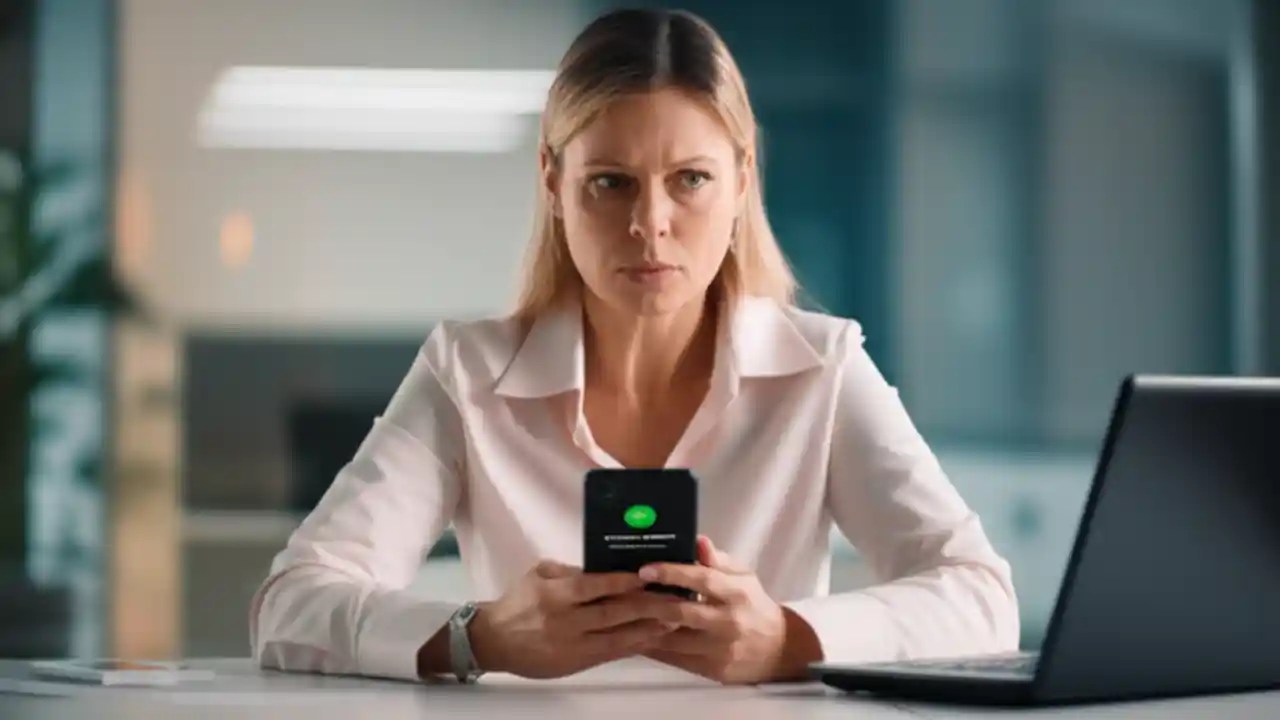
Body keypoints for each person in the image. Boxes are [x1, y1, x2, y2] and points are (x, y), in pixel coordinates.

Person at [249, 8, 1019, 686]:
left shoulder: (821, 370)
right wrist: (478, 636)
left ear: (743, 182)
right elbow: (292, 603)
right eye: (611, 183)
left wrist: (787, 639)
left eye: (690, 179)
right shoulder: (467, 373)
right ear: (553, 184)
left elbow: (981, 598)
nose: (650, 223)